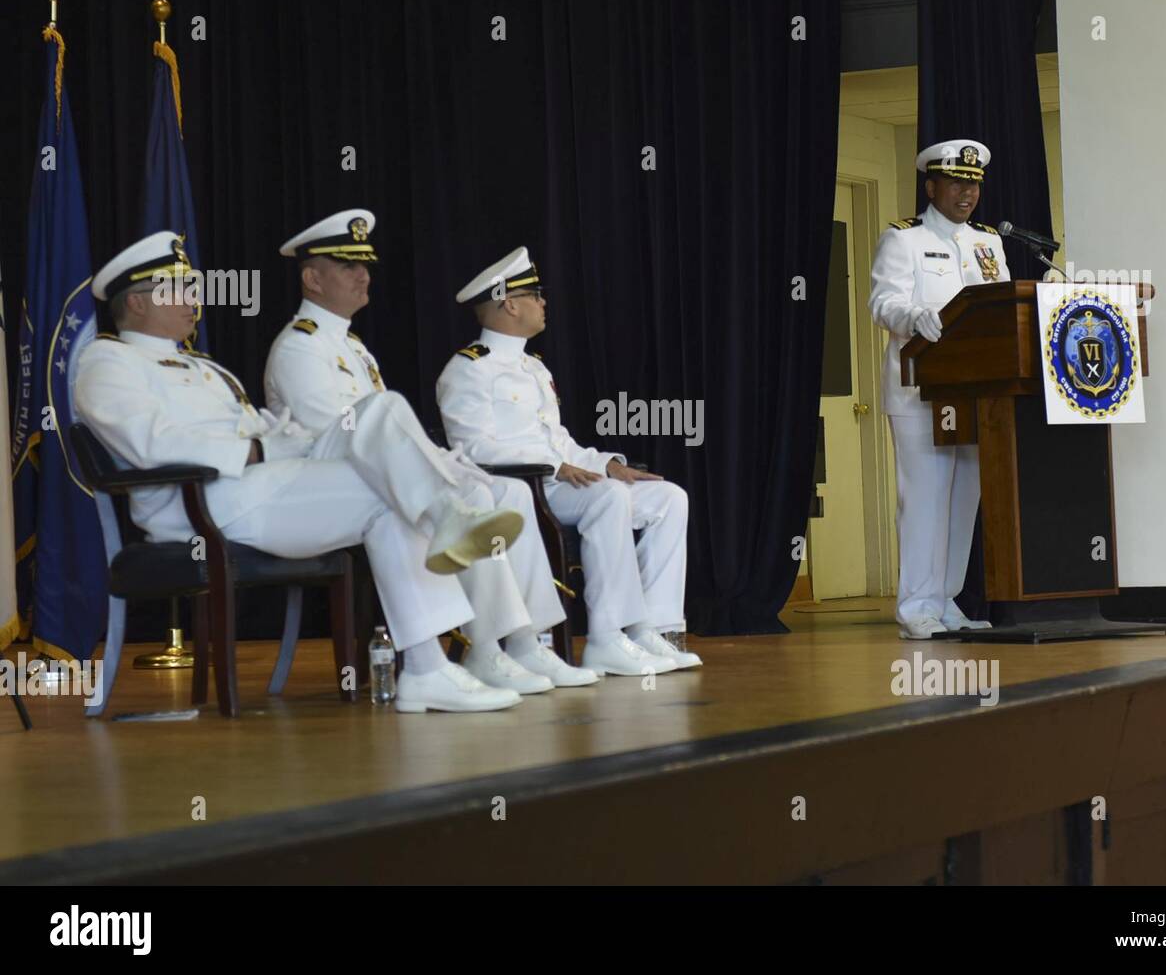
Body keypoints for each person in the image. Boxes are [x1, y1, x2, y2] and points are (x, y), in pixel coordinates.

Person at [74, 231, 524, 712]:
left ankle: (426, 665)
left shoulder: (207, 369)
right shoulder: (107, 361)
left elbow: (264, 436)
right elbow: (151, 444)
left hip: (262, 489)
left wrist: (284, 441)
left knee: (385, 447)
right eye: (179, 289)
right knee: (384, 449)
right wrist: (258, 450)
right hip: (202, 505)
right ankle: (444, 528)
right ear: (139, 303)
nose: (194, 299)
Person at [265, 210, 596, 692]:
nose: (364, 276)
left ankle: (518, 644)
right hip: (330, 489)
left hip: (374, 479)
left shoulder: (354, 347)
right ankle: (467, 652)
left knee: (505, 492)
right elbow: (330, 441)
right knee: (456, 491)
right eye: (347, 267)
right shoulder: (299, 347)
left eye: (365, 266)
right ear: (312, 278)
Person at [436, 247, 700, 676]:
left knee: (669, 497)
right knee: (609, 499)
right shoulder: (468, 370)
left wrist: (607, 463)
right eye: (536, 294)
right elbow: (472, 449)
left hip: (557, 483)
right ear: (509, 302)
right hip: (517, 489)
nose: (544, 303)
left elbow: (559, 441)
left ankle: (654, 629)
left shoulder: (535, 368)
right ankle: (607, 636)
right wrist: (553, 466)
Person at [867, 139, 1007, 640]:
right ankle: (915, 608)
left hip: (974, 395)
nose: (966, 193)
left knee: (962, 500)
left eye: (973, 185)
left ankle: (946, 601)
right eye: (955, 183)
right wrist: (913, 317)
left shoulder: (988, 242)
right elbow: (883, 304)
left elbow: (1002, 309)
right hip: (919, 392)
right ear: (931, 186)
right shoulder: (903, 239)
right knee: (924, 499)